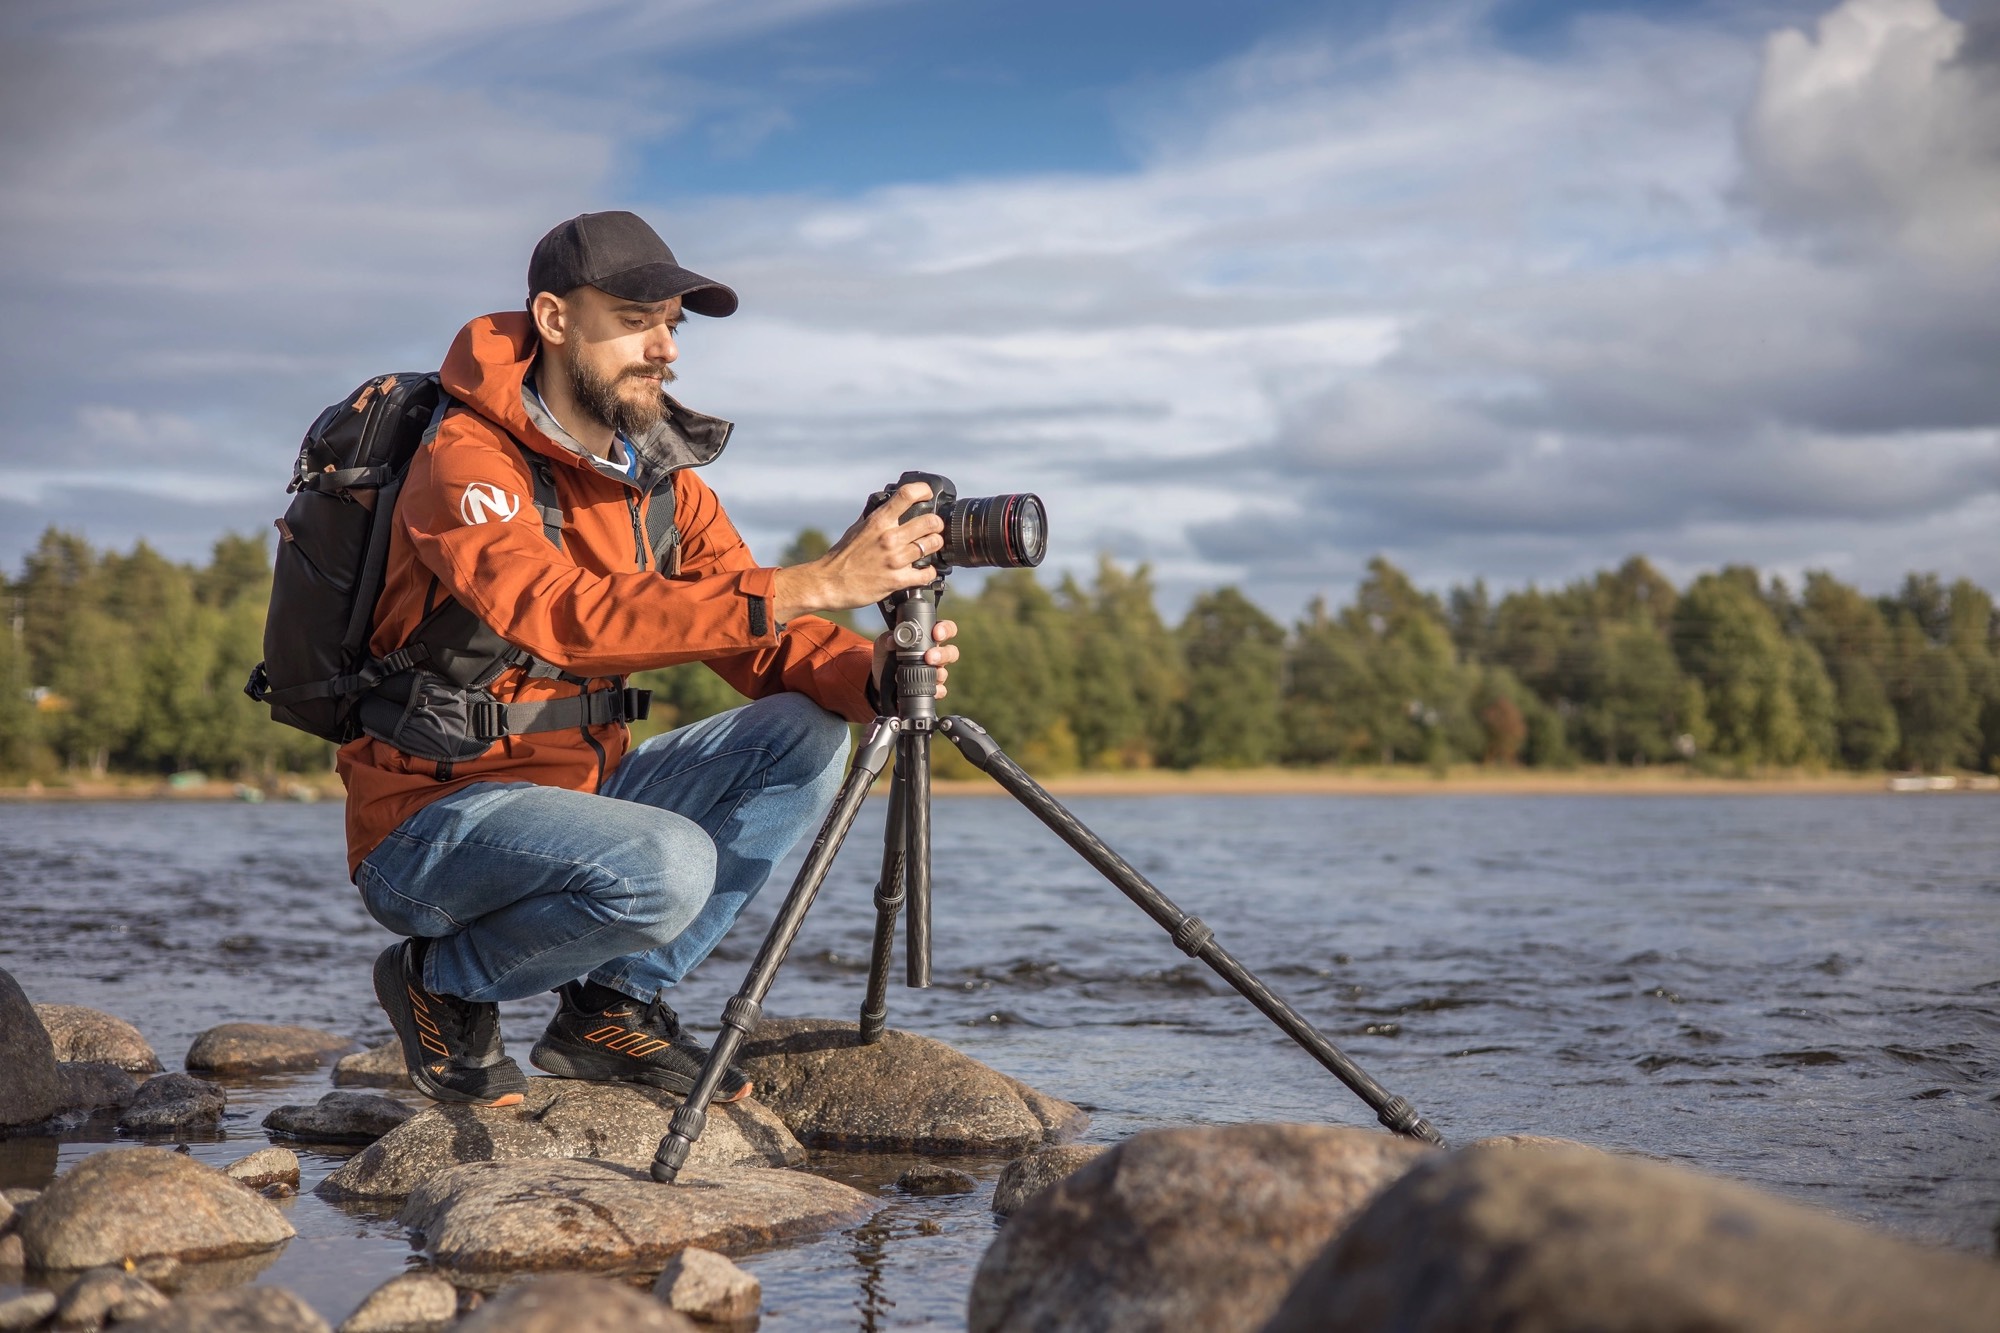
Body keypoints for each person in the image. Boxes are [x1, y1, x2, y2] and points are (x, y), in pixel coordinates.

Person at [340, 210, 957, 1109]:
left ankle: (606, 1011)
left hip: (585, 808)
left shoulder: (662, 484)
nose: (665, 346)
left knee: (811, 734)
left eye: (672, 322)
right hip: (435, 818)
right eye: (634, 319)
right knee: (667, 867)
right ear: (554, 320)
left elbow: (760, 631)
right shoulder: (465, 460)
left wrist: (874, 672)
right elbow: (555, 615)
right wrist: (814, 580)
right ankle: (442, 981)